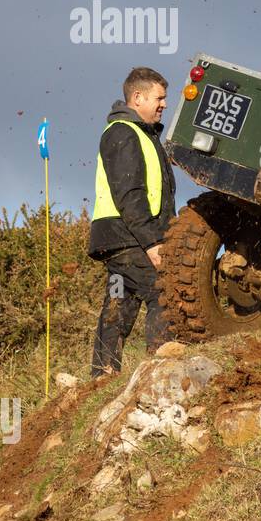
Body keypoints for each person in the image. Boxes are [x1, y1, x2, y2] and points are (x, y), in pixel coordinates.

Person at [87, 67, 177, 377]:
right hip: (131, 237)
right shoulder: (124, 133)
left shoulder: (137, 133)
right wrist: (152, 242)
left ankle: (102, 374)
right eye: (159, 98)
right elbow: (130, 193)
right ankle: (160, 368)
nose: (164, 104)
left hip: (119, 238)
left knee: (119, 303)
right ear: (137, 97)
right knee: (165, 290)